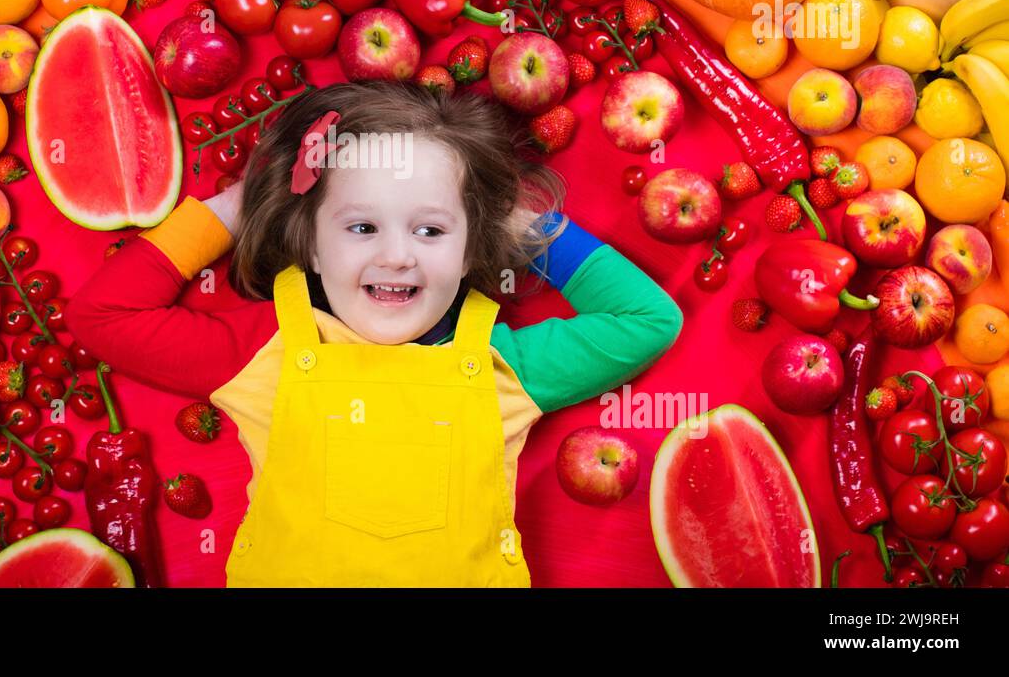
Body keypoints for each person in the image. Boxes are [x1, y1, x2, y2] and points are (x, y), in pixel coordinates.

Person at [66, 81, 682, 587]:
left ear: (473, 250)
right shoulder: (262, 351)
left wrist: (513, 221)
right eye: (362, 227)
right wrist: (246, 202)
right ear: (307, 238)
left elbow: (648, 320)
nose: (397, 257)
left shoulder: (502, 363)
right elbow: (102, 317)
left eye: (431, 231)